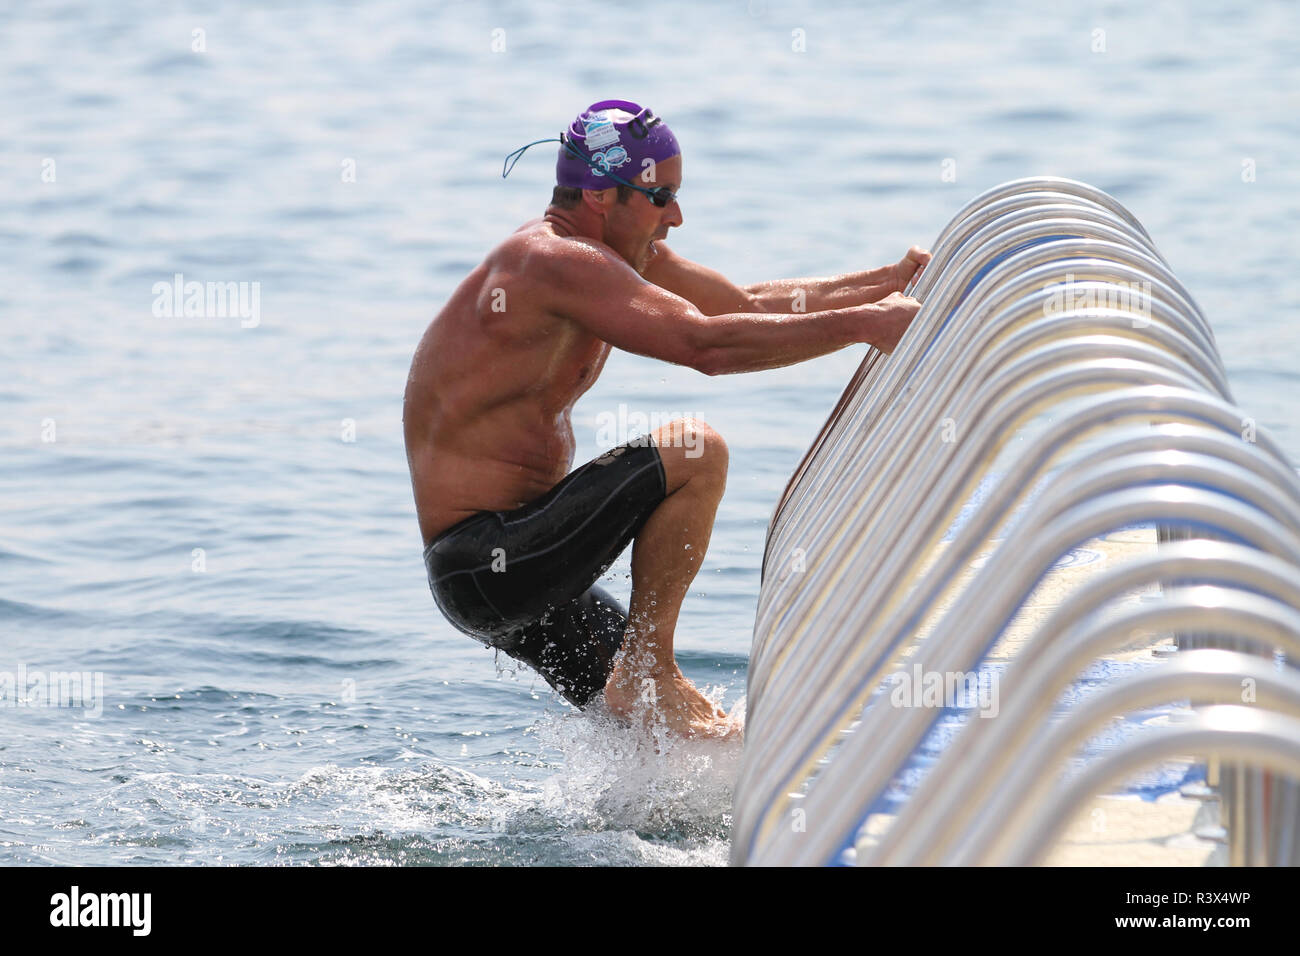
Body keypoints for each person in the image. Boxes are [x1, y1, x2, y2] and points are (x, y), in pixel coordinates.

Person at [403, 99, 930, 739]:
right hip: (492, 558)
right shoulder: (553, 263)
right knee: (694, 453)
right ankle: (649, 662)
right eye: (662, 197)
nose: (677, 216)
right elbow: (704, 346)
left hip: (525, 568)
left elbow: (745, 305)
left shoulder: (608, 255)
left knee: (681, 741)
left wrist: (888, 283)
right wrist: (867, 326)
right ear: (601, 197)